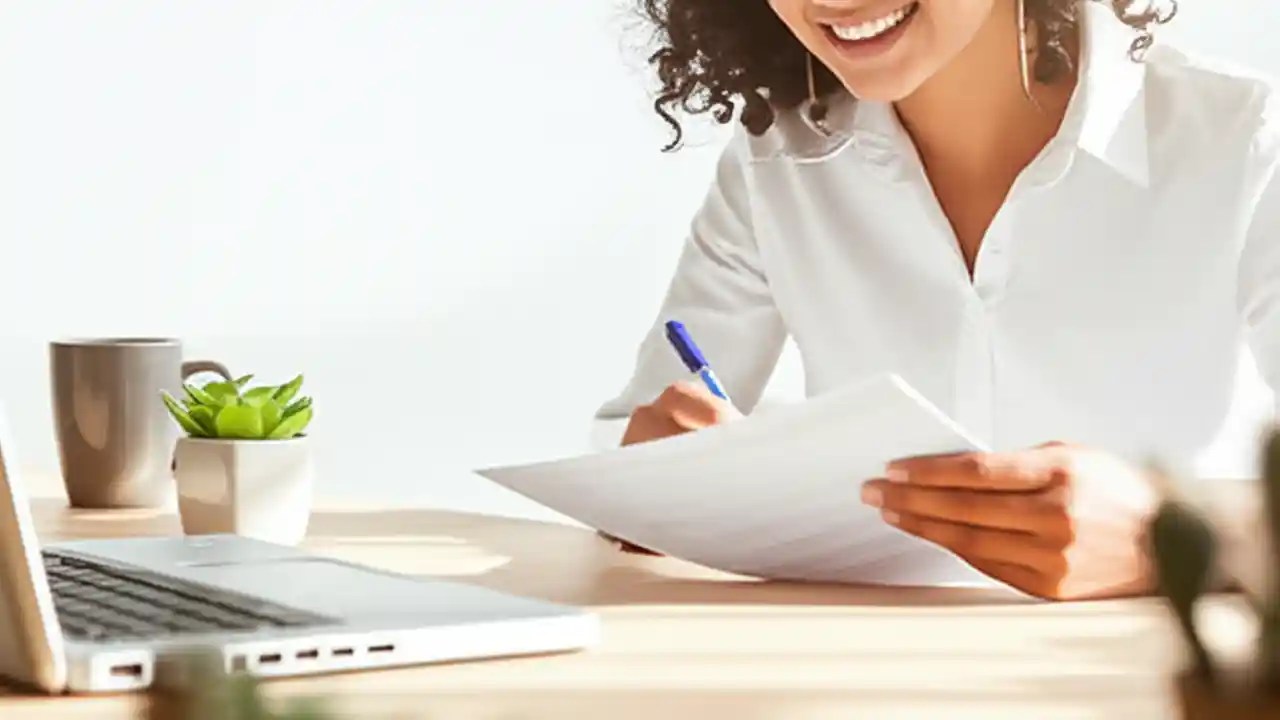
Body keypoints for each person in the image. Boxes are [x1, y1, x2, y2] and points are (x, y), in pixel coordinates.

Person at [595, 0, 1280, 601]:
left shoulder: (1242, 141)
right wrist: (654, 470)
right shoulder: (775, 161)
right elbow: (626, 451)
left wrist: (1177, 538)